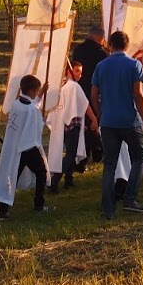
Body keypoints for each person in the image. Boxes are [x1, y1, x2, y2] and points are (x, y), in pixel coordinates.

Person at [91, 30, 143, 218]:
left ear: (110, 45)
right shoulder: (134, 65)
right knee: (140, 156)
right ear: (127, 46)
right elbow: (139, 95)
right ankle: (130, 198)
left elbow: (94, 95)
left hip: (109, 121)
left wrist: (100, 114)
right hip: (129, 120)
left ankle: (108, 209)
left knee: (109, 164)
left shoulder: (101, 66)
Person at [0, 75, 51, 219]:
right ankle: (39, 204)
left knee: (11, 175)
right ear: (31, 91)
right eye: (36, 91)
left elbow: (30, 107)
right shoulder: (31, 110)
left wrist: (41, 95)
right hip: (27, 147)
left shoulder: (17, 103)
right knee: (41, 172)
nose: (37, 93)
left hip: (14, 146)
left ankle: (3, 209)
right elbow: (34, 127)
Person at [45, 60, 92, 193]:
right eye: (77, 71)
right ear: (69, 71)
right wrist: (93, 119)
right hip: (71, 125)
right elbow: (85, 104)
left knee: (72, 152)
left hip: (67, 125)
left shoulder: (64, 86)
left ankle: (69, 180)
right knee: (71, 154)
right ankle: (54, 181)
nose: (79, 74)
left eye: (81, 72)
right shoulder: (73, 86)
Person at [71, 25, 109, 164]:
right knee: (94, 121)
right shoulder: (101, 54)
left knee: (84, 123)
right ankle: (95, 151)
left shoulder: (78, 49)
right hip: (95, 90)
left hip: (79, 89)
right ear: (101, 38)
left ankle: (86, 155)